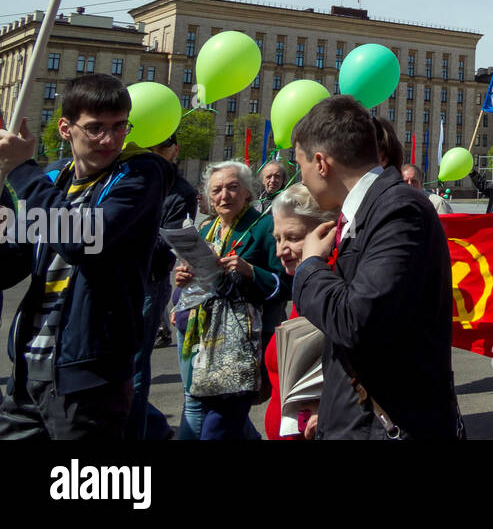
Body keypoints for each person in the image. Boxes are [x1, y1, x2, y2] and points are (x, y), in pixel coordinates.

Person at [0, 74, 167, 441]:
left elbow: (81, 238)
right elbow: (11, 263)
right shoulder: (54, 183)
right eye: (94, 128)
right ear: (65, 128)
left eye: (119, 126)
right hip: (29, 370)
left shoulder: (139, 175)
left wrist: (20, 171)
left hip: (89, 378)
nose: (109, 139)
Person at [292, 95, 459, 439]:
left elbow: (357, 322)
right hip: (362, 420)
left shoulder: (399, 210)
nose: (302, 179)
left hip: (390, 425)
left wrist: (309, 267)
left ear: (321, 162)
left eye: (301, 165)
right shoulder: (369, 210)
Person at [174, 161, 285, 439]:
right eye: (217, 190)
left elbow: (287, 284)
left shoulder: (264, 226)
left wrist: (250, 271)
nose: (225, 196)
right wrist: (184, 280)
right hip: (203, 339)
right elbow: (196, 286)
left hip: (244, 343)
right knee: (217, 422)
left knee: (218, 427)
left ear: (247, 192)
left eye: (233, 188)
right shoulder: (205, 230)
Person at [127, 132, 197, 441]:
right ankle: (152, 425)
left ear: (174, 150)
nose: (153, 153)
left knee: (135, 366)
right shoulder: (131, 181)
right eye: (148, 146)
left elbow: (166, 246)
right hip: (120, 280)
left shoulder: (179, 192)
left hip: (149, 284)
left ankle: (143, 431)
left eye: (160, 147)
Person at [264, 184, 338, 440]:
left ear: (326, 232)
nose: (280, 250)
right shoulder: (304, 290)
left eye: (293, 237)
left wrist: (332, 408)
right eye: (277, 238)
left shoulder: (332, 295)